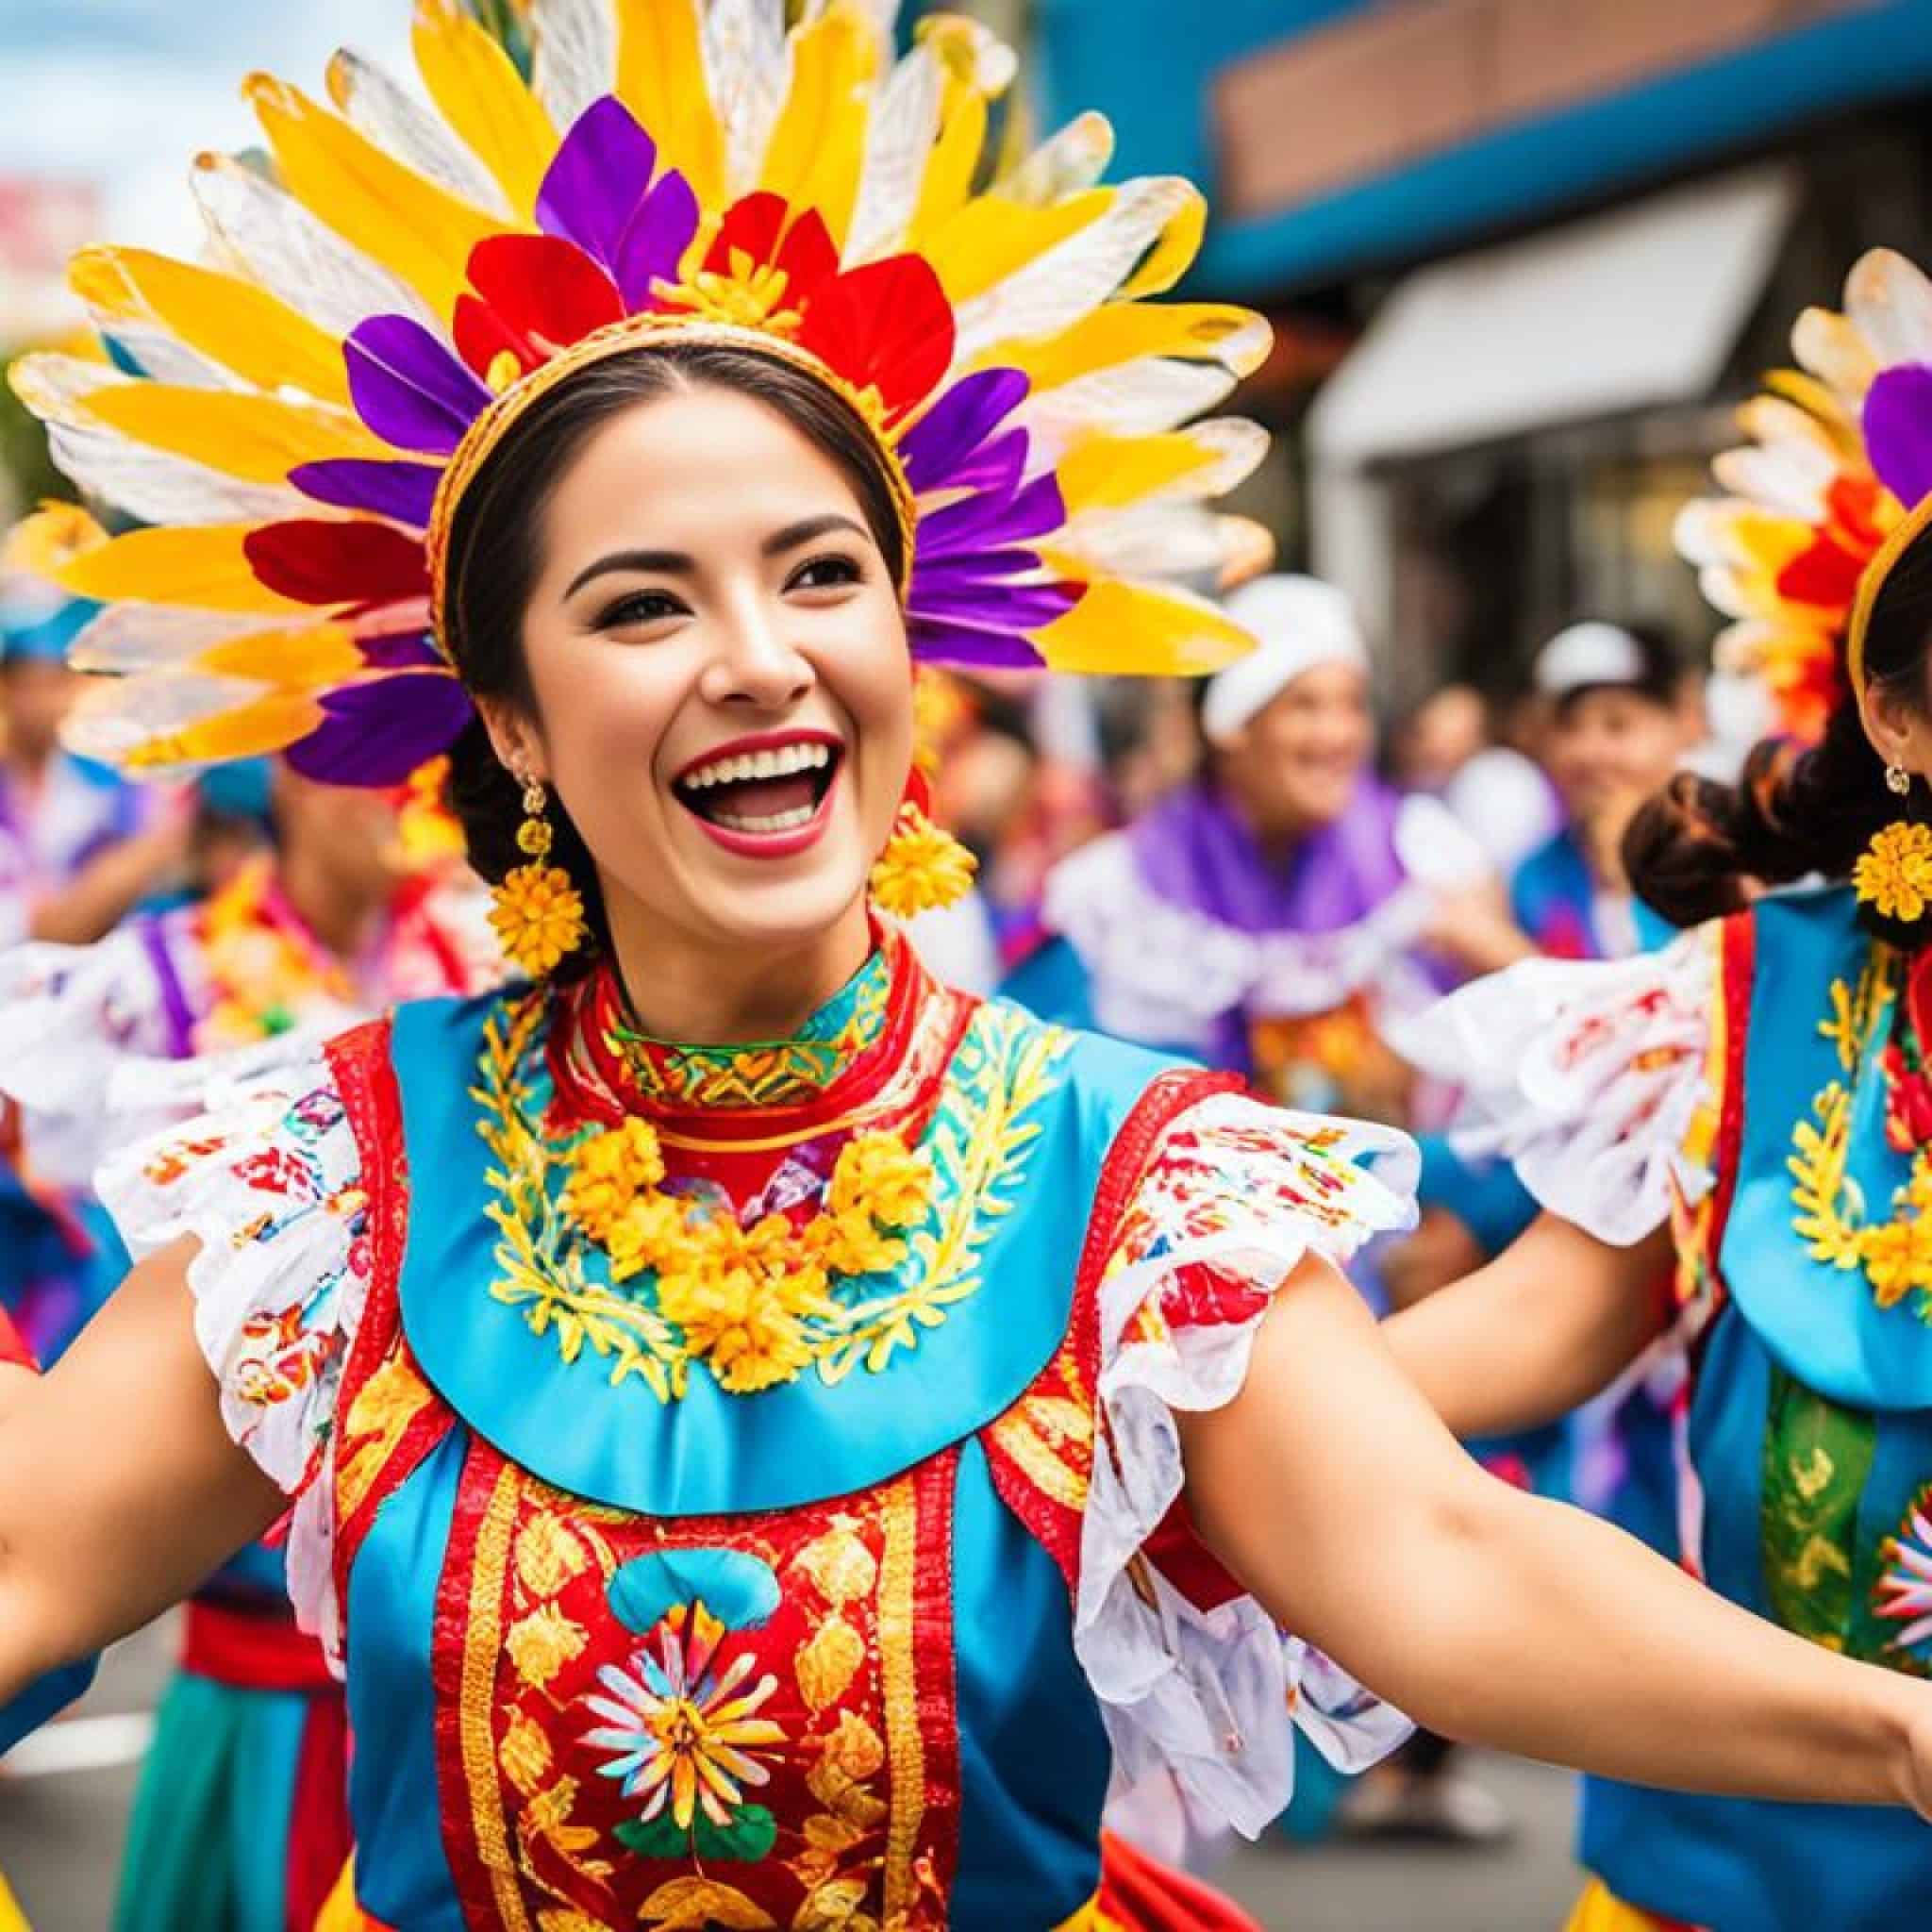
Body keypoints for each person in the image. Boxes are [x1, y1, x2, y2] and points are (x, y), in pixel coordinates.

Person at [7, 15, 1932, 1930]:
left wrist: (1896, 1735)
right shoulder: (345, 1186)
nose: (758, 654)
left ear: (907, 645)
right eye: (642, 601)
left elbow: (1446, 1560)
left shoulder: (1124, 1188)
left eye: (820, 573)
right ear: (508, 716)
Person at [1388, 245, 1932, 1932]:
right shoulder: (1731, 1011)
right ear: (1892, 712)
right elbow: (1457, 1367)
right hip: (1748, 1891)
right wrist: (1096, 1417)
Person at [0, 757, 499, 1932]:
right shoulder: (158, 978)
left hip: (451, 1663)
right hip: (235, 1618)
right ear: (282, 776)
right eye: (365, 753)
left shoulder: (493, 972)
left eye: (429, 752)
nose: (400, 787)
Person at [1009, 573, 1521, 1121]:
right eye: (1305, 706)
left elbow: (1543, 1046)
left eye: (1352, 705)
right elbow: (1035, 1081)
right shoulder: (1117, 892)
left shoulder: (1426, 855)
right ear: (1232, 728)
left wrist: (1492, 956)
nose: (1338, 735)